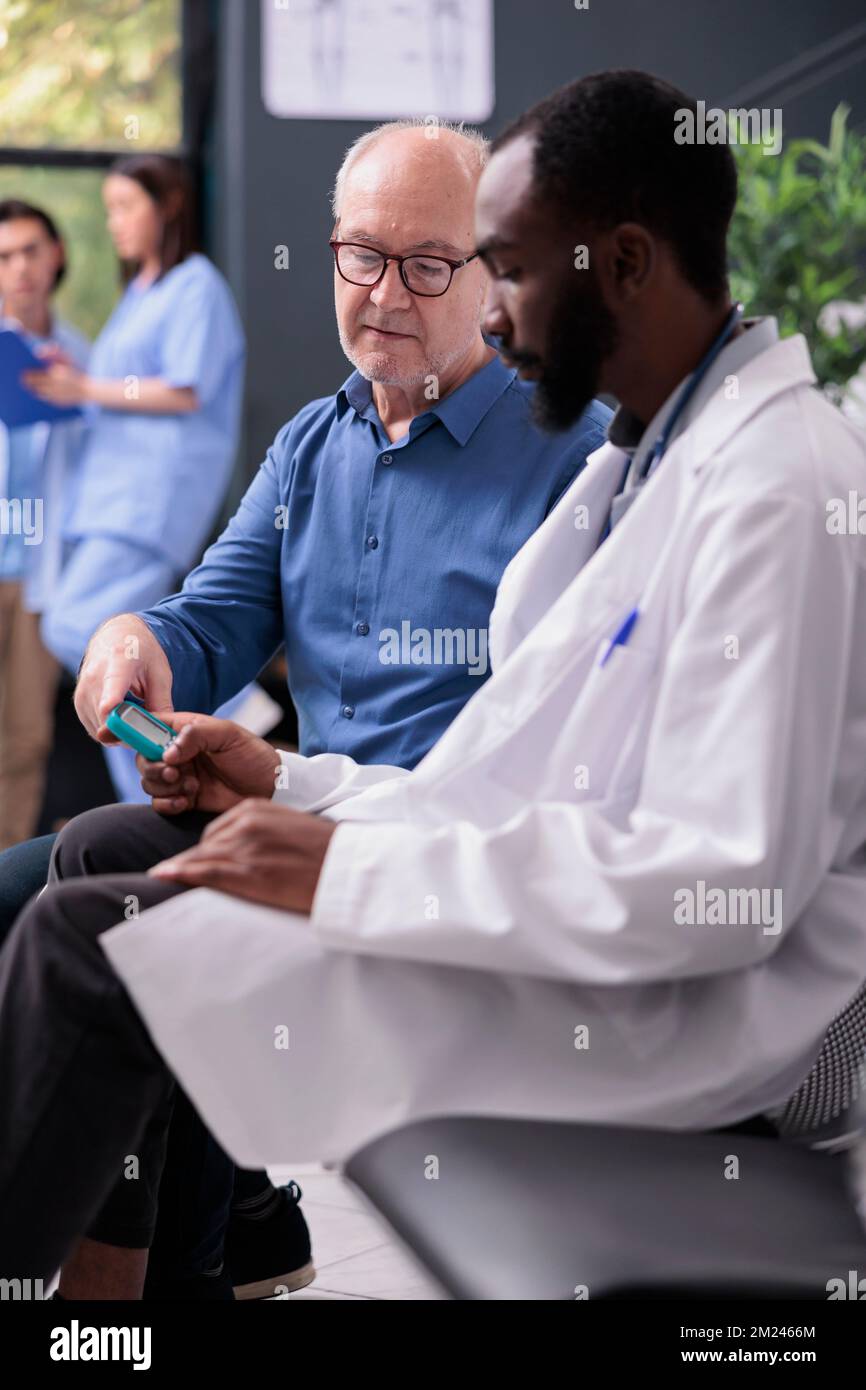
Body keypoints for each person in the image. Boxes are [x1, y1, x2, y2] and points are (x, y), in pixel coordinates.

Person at [7, 67, 864, 1291]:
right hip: (549, 929)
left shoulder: (772, 488)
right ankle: (186, 1276)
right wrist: (293, 782)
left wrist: (338, 861)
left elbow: (708, 883)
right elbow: (514, 783)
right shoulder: (646, 466)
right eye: (366, 257)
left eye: (494, 268)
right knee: (105, 887)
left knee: (96, 947)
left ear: (617, 265)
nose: (499, 323)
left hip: (664, 1024)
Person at [0, 119, 610, 1299]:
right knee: (57, 877)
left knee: (111, 914)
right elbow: (208, 618)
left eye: (426, 263)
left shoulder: (572, 466)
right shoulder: (313, 442)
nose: (383, 292)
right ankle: (211, 1239)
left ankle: (164, 1270)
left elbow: (559, 785)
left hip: (436, 878)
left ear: (492, 274)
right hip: (291, 832)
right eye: (357, 256)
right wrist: (138, 637)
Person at [22, 154, 246, 804]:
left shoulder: (196, 285)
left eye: (125, 206)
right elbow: (122, 386)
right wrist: (74, 380)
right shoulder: (140, 293)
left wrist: (85, 384)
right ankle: (158, 792)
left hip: (149, 501)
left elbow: (181, 388)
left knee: (76, 629)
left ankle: (226, 695)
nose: (113, 223)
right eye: (108, 209)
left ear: (168, 205)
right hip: (109, 499)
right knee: (117, 669)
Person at [0, 200, 89, 851]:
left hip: (40, 571)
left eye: (32, 250)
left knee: (26, 733)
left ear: (56, 255)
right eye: (6, 256)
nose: (21, 268)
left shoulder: (88, 358)